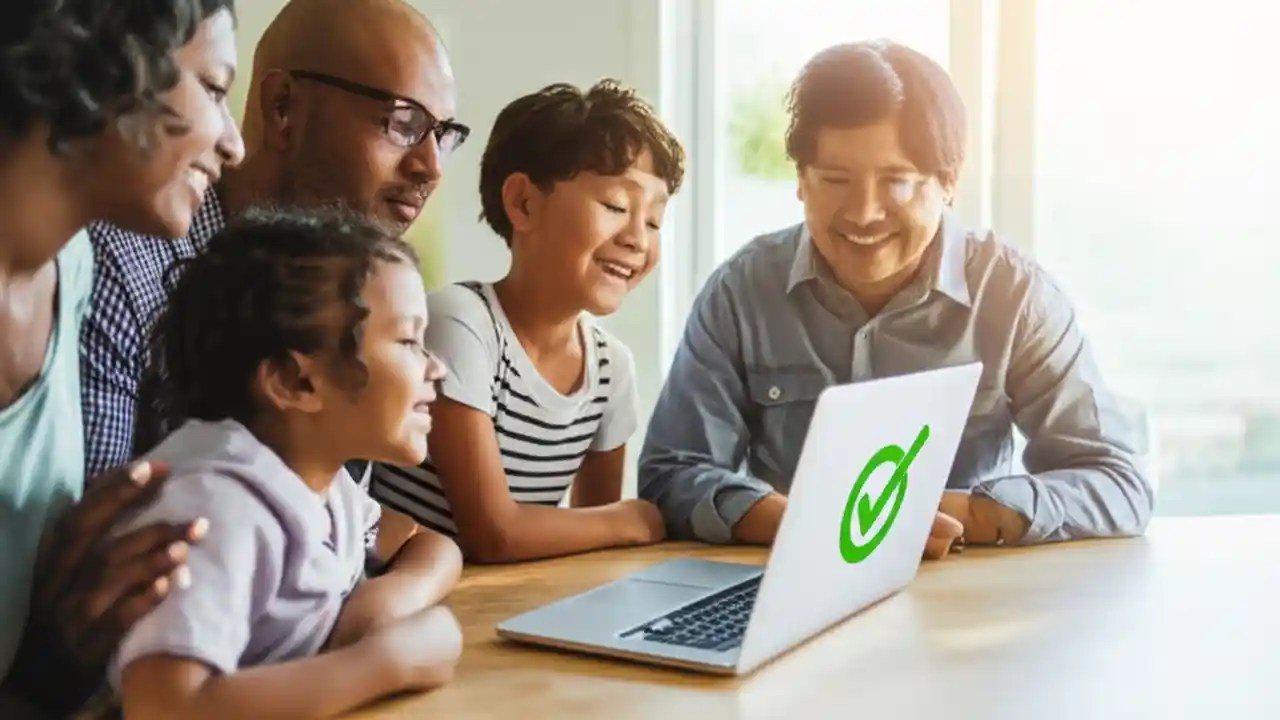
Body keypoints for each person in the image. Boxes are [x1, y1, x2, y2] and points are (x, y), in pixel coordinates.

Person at [639, 40, 1154, 554]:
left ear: (948, 183)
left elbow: (1117, 484)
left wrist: (973, 513)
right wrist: (807, 522)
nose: (864, 212)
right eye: (835, 179)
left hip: (969, 594)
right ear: (801, 181)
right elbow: (671, 474)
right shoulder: (742, 291)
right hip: (788, 580)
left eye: (897, 182)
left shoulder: (1014, 295)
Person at [82, 0, 466, 477]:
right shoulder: (125, 266)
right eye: (403, 123)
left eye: (444, 135)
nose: (430, 168)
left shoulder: (361, 301)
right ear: (283, 106)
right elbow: (86, 536)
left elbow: (357, 536)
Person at [115, 207, 462, 719]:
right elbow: (164, 706)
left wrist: (383, 603)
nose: (439, 367)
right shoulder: (218, 510)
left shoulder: (318, 482)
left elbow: (427, 544)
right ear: (295, 382)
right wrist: (384, 661)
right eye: (409, 341)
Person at [0, 0, 245, 714]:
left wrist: (56, 642)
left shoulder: (73, 273)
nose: (234, 146)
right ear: (105, 61)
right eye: (214, 86)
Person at [370, 80, 685, 562]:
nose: (637, 238)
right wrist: (632, 517)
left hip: (498, 603)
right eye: (616, 207)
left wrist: (615, 525)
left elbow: (591, 543)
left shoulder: (609, 369)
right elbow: (493, 533)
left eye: (655, 221)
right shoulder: (461, 325)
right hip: (397, 588)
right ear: (524, 203)